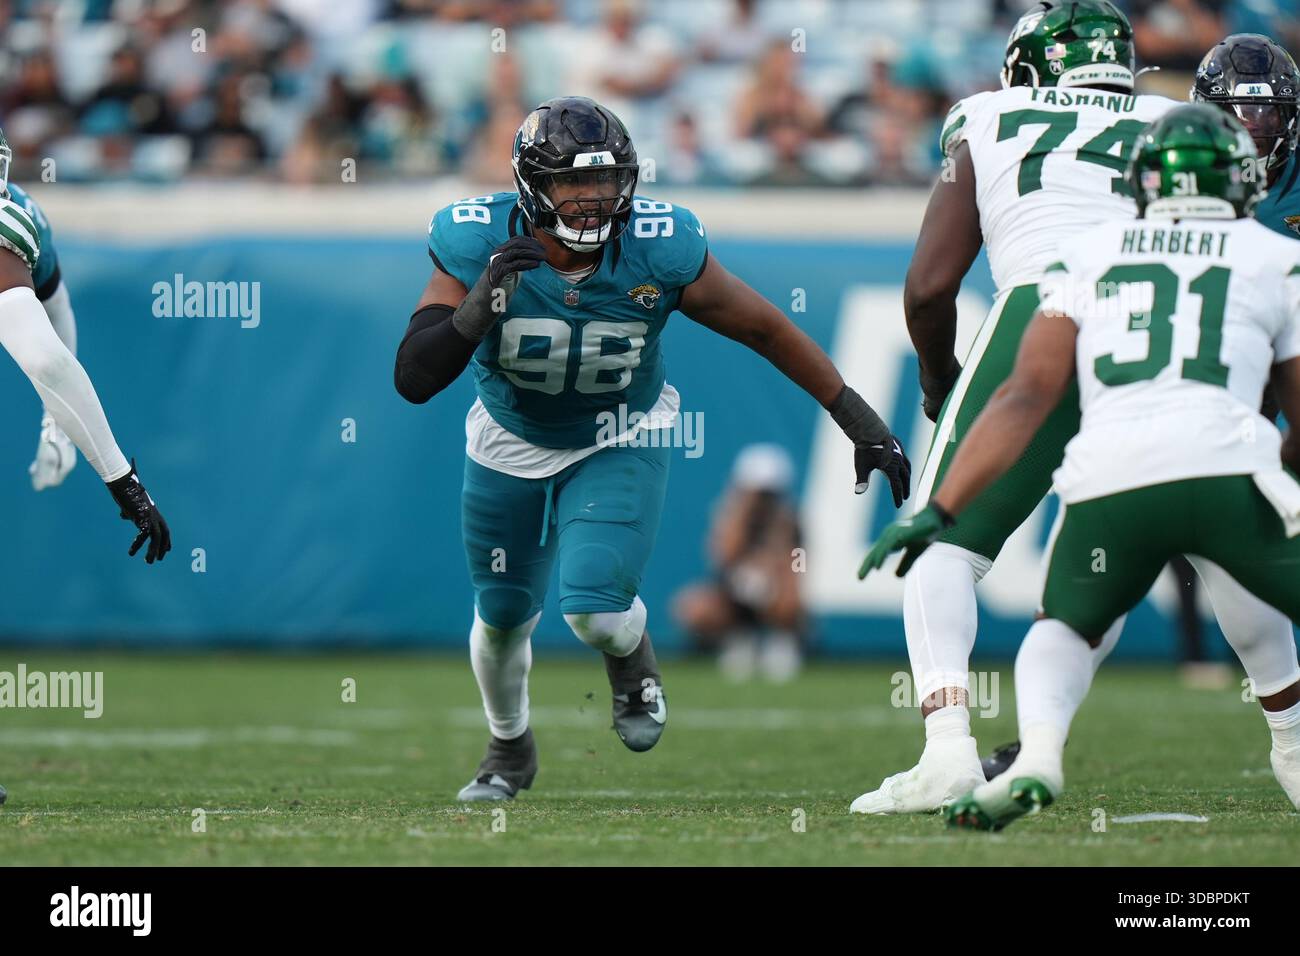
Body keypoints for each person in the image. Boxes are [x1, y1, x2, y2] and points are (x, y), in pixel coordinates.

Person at [393, 96, 911, 802]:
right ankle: (509, 748)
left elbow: (764, 328)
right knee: (502, 616)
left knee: (594, 608)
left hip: (620, 434)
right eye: (573, 183)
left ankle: (631, 656)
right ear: (532, 187)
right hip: (508, 440)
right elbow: (414, 378)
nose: (592, 201)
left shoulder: (659, 246)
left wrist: (858, 418)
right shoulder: (474, 239)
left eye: (605, 183)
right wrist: (479, 303)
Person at [850, 0, 1294, 815]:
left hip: (1055, 299)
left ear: (1023, 69)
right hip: (1175, 327)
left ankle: (949, 749)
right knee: (1162, 539)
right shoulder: (1174, 116)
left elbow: (928, 285)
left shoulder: (987, 113)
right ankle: (1288, 739)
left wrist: (936, 377)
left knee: (945, 545)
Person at [0, 127, 173, 806]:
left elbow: (50, 325)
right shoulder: (19, 213)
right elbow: (49, 342)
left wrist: (56, 421)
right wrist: (123, 481)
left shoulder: (16, 220)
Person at [672, 444, 807, 683]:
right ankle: (739, 637)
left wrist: (772, 564)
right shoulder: (729, 514)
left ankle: (781, 640)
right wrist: (741, 515)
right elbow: (724, 559)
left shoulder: (790, 521)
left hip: (775, 591)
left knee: (788, 595)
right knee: (693, 606)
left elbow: (797, 567)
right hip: (734, 593)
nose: (763, 501)